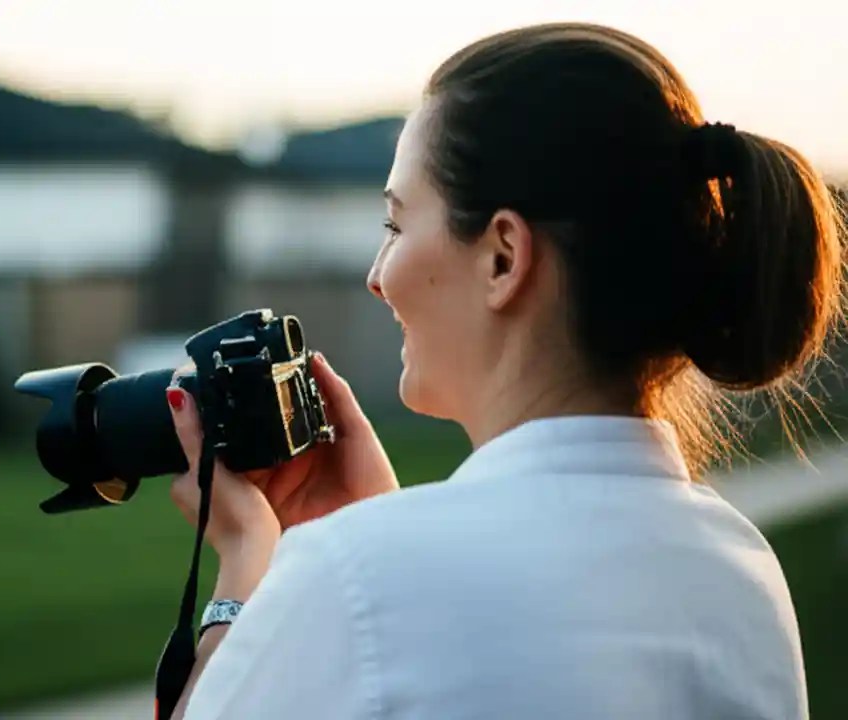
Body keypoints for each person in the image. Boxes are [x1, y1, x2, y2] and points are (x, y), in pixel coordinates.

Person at [160, 22, 844, 720]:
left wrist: (250, 570)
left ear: (503, 258)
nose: (377, 276)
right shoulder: (744, 574)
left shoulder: (350, 581)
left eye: (395, 226)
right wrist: (375, 535)